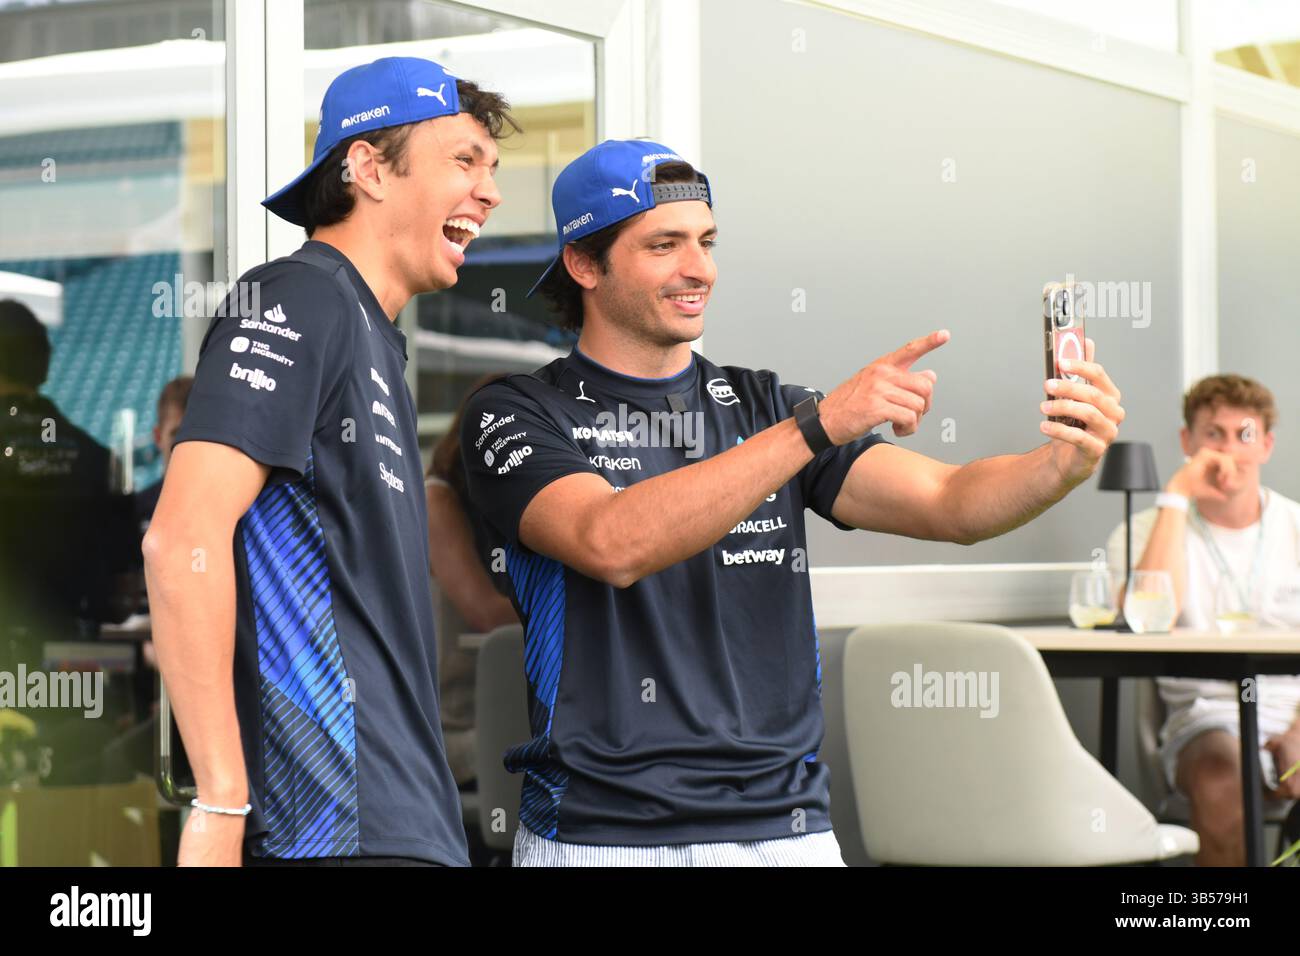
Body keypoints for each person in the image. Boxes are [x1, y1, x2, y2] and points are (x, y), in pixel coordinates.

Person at [460, 139, 1126, 866]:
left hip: (789, 832)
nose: (700, 269)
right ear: (585, 265)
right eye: (664, 244)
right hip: (602, 834)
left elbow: (951, 503)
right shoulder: (516, 412)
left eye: (707, 242)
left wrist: (1063, 461)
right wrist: (816, 426)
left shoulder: (765, 405)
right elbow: (610, 542)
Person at [143, 57, 518, 866]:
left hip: (402, 821)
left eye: (492, 170)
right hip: (329, 826)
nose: (489, 193)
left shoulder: (373, 337)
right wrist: (219, 799)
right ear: (369, 168)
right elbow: (181, 539)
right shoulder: (299, 296)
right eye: (463, 161)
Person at [1107, 374, 1300, 866]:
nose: (1229, 449)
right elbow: (1151, 618)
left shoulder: (1294, 527)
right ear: (1187, 441)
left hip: (1292, 710)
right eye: (1214, 433)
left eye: (1245, 434)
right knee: (1221, 774)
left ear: (1267, 445)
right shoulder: (1147, 530)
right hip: (1206, 716)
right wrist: (1175, 495)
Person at [425, 372, 519, 789]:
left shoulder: (509, 504)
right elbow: (486, 613)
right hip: (457, 723)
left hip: (511, 708)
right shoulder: (438, 499)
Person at [133, 375, 194, 528]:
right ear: (158, 436)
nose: (185, 446)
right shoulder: (133, 513)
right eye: (177, 434)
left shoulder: (231, 509)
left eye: (195, 435)